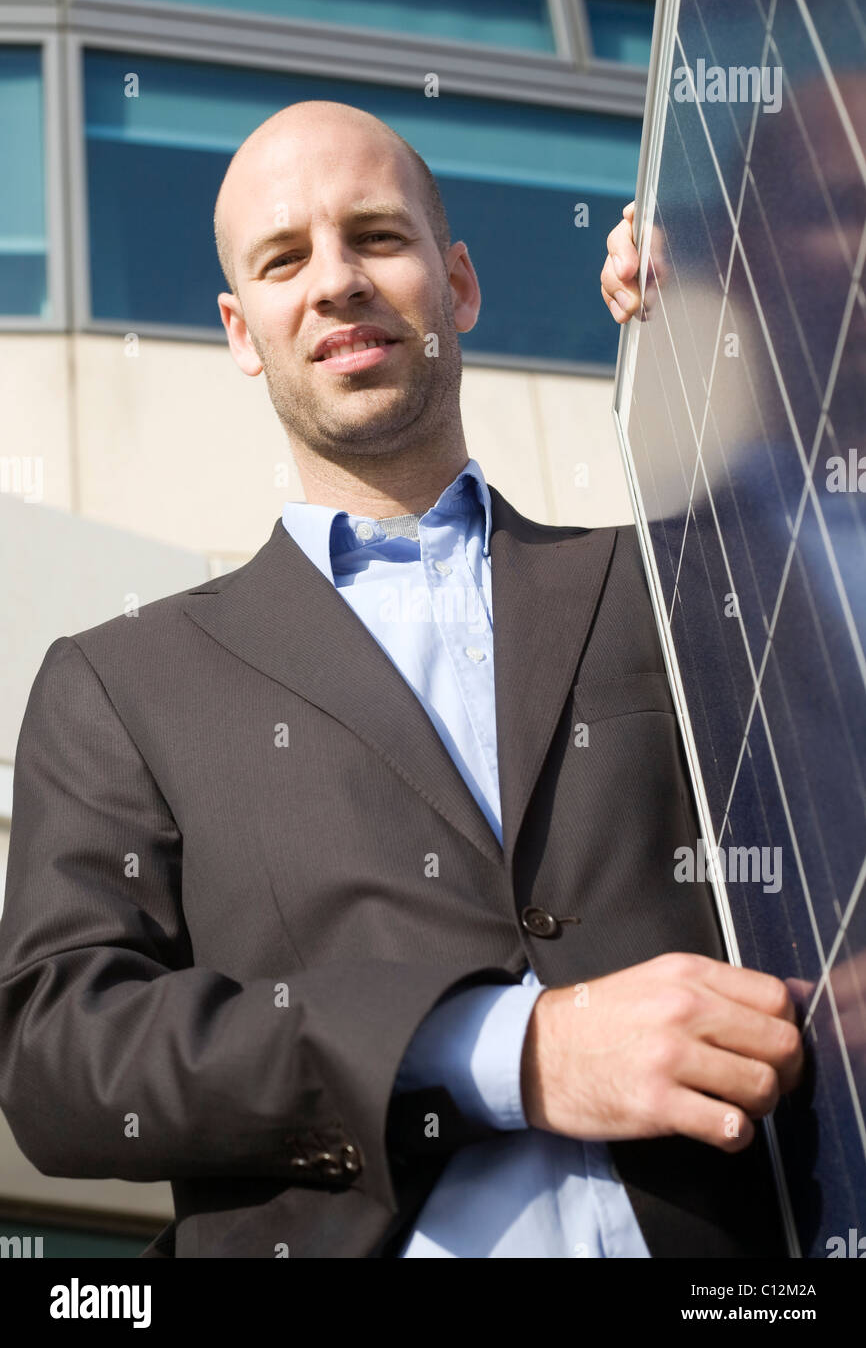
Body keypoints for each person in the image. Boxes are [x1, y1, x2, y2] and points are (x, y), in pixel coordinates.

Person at [0, 102, 802, 1259]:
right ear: (241, 329)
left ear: (458, 285)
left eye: (375, 236)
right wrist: (508, 1050)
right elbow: (59, 1054)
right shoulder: (119, 682)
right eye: (284, 259)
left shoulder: (675, 586)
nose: (334, 282)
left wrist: (767, 309)